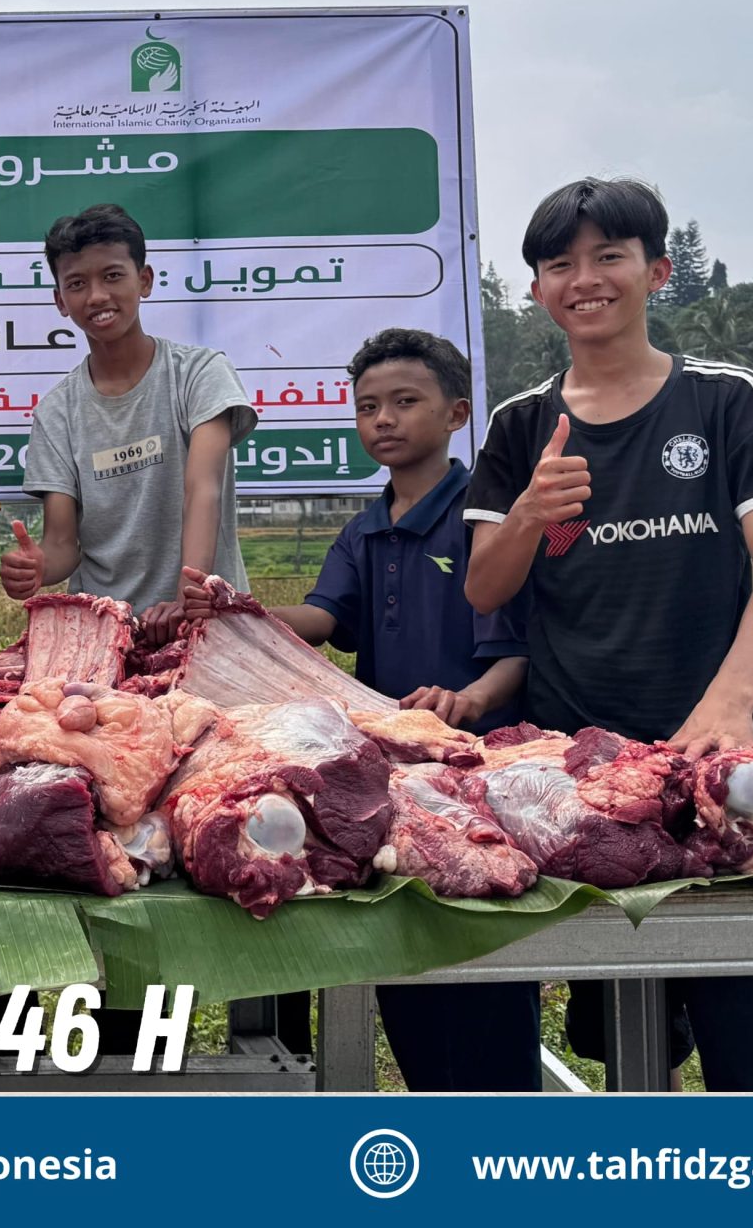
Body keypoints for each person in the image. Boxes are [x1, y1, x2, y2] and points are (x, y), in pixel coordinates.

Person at [461, 176, 753, 1092]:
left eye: (609, 257)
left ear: (656, 271)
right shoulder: (519, 425)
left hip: (718, 746)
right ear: (538, 288)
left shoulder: (724, 400)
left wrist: (730, 700)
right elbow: (482, 587)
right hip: (579, 765)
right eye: (559, 264)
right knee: (627, 1025)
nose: (585, 278)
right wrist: (527, 517)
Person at [187, 327, 539, 1090]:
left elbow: (516, 648)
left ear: (456, 413)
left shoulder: (486, 516)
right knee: (404, 962)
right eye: (368, 406)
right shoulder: (364, 528)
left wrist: (467, 699)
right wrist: (234, 613)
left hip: (479, 769)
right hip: (391, 780)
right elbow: (322, 618)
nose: (382, 419)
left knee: (483, 964)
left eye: (404, 402)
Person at [0, 204, 257, 644]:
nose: (97, 295)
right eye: (77, 283)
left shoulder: (199, 373)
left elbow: (203, 490)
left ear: (145, 280)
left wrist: (189, 597)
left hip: (208, 625)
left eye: (112, 276)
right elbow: (63, 544)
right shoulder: (56, 412)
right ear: (61, 301)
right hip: (105, 639)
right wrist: (39, 568)